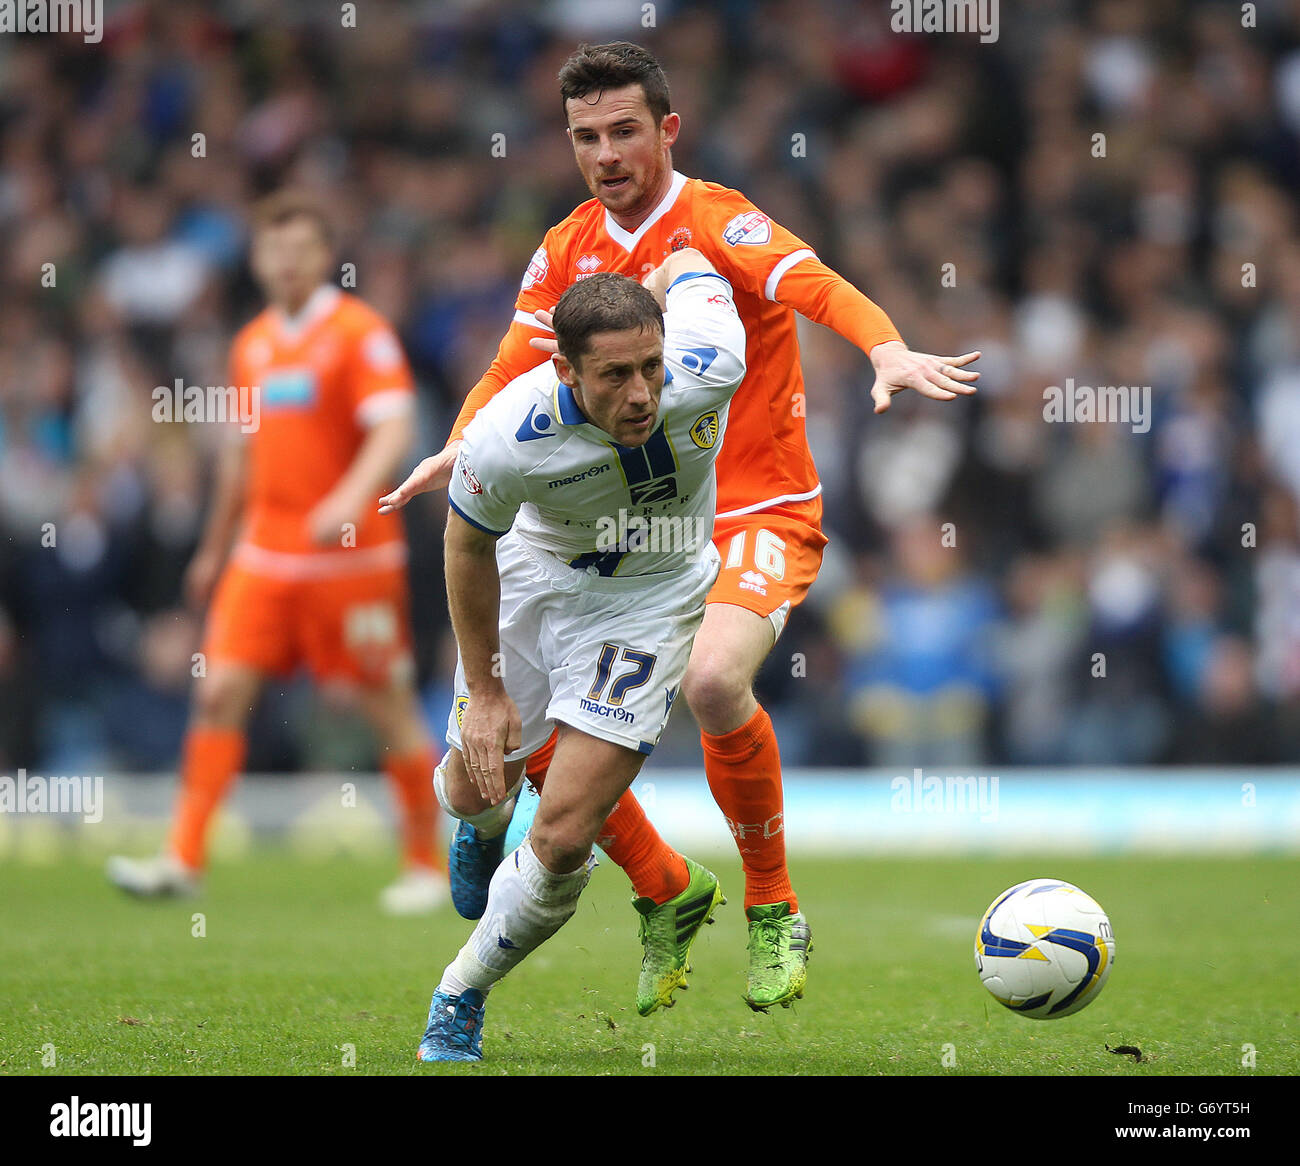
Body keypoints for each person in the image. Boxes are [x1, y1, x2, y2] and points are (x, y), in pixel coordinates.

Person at [381, 42, 979, 1007]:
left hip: (757, 508)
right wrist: (458, 447)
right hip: (633, 522)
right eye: (586, 137)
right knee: (552, 731)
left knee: (710, 680)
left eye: (625, 131)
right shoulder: (569, 242)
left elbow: (810, 279)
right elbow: (508, 365)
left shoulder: (716, 220)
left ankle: (774, 906)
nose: (607, 154)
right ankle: (661, 886)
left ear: (666, 130)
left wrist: (888, 347)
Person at [415, 248, 746, 1062]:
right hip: (534, 578)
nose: (640, 395)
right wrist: (487, 692)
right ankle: (481, 822)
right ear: (563, 370)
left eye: (651, 367)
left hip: (649, 600)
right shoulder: (506, 440)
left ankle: (460, 992)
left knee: (563, 835)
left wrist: (660, 277)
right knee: (467, 784)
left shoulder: (715, 360)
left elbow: (695, 257)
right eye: (614, 377)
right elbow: (464, 549)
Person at [107, 191, 447, 915]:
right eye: (273, 250)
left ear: (325, 257)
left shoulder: (360, 333)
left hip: (353, 560)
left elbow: (395, 427)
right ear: (258, 260)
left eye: (300, 249)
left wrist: (349, 500)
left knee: (383, 702)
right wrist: (211, 546)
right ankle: (182, 858)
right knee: (219, 690)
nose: (287, 262)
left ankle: (425, 864)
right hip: (264, 554)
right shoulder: (251, 344)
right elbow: (240, 457)